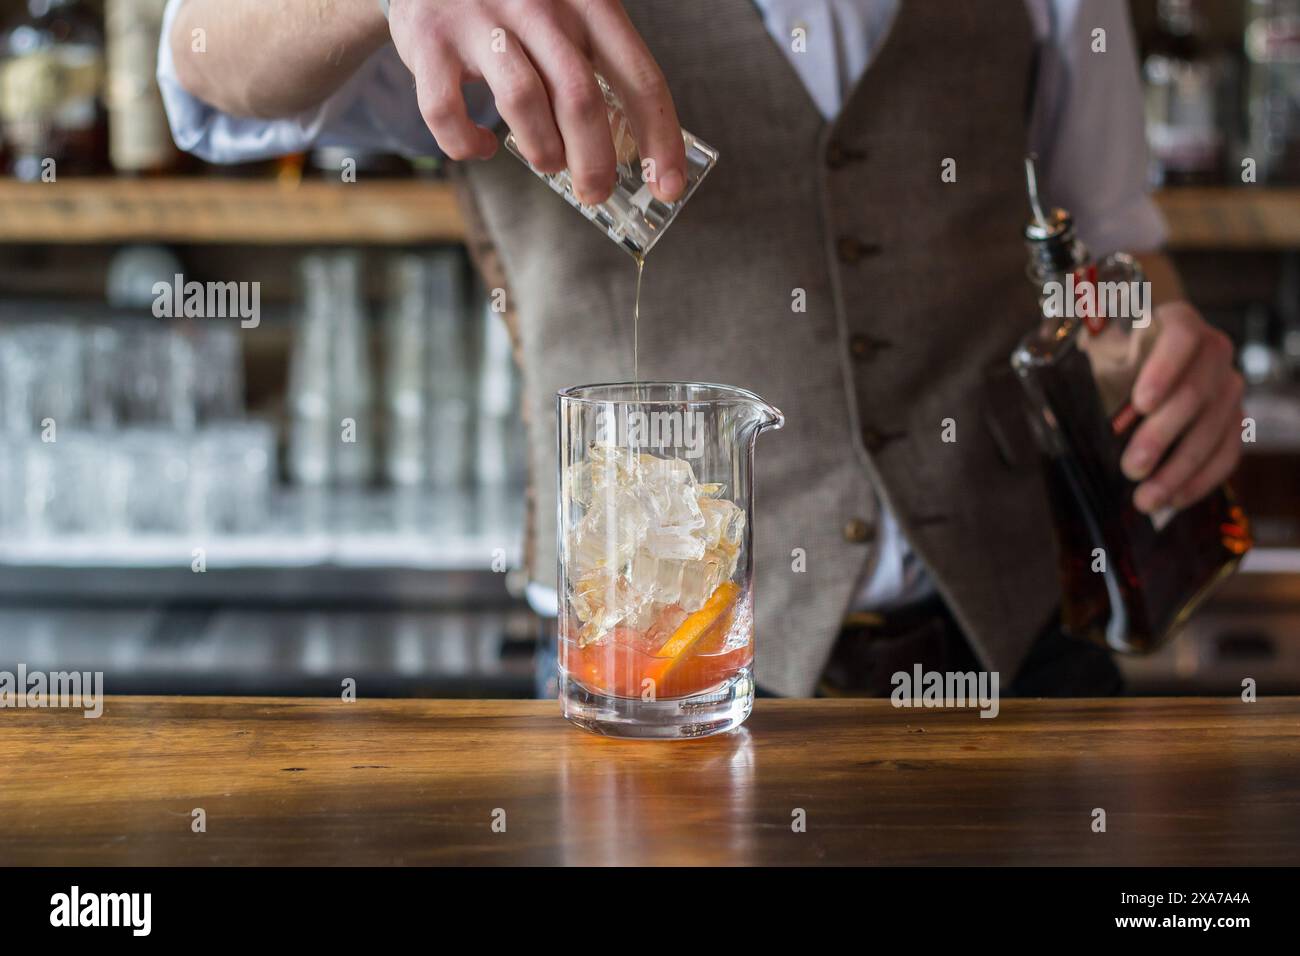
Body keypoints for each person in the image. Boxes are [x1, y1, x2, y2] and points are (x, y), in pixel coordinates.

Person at [160, 0, 1245, 698]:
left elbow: (1107, 242)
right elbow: (198, 67)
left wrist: (1151, 335)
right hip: (648, 685)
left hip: (1019, 649)